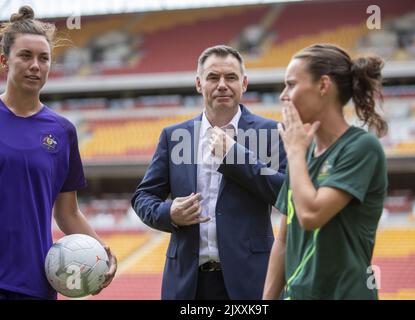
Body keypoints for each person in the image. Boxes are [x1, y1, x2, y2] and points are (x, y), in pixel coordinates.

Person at [132, 45, 286, 300]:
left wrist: (234, 156)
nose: (222, 85)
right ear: (198, 84)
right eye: (213, 77)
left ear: (244, 83)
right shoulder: (175, 136)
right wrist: (168, 213)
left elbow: (286, 194)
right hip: (188, 284)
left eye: (231, 77)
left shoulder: (270, 133)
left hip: (251, 282)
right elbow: (143, 197)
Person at [0, 6, 117, 300]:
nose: (35, 66)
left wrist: (102, 252)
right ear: (4, 61)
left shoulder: (63, 131)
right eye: (25, 56)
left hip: (34, 282)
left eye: (44, 58)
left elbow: (67, 213)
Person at [263, 44, 388, 300]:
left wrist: (295, 153)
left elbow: (311, 215)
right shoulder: (301, 150)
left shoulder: (362, 147)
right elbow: (284, 240)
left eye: (291, 84)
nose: (283, 95)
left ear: (323, 85)